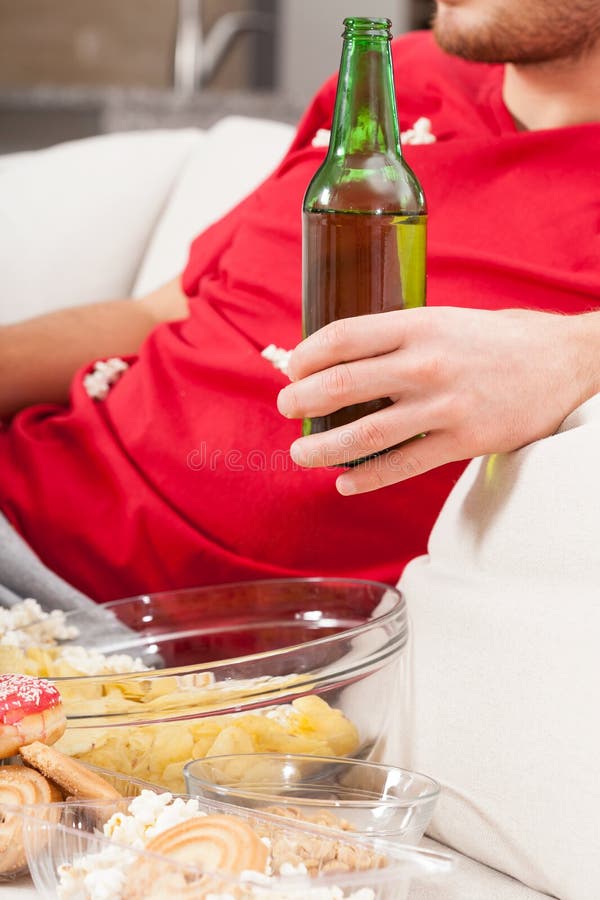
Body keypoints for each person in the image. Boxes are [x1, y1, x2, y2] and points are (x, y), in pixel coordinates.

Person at [0, 0, 598, 604]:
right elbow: (165, 310)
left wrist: (579, 352)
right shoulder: (393, 77)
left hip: (140, 626)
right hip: (26, 496)